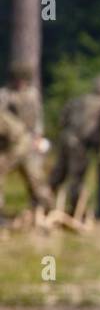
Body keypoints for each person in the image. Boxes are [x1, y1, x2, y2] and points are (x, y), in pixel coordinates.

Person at [50, 75, 100, 212]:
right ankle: (74, 210)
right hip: (79, 144)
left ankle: (44, 204)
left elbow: (62, 119)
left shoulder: (78, 100)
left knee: (58, 175)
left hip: (65, 139)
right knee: (77, 178)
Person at [0, 64, 54, 216]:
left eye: (23, 80)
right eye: (18, 80)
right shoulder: (4, 95)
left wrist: (38, 136)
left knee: (36, 178)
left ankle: (46, 209)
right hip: (9, 146)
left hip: (29, 143)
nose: (20, 83)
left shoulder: (32, 94)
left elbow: (37, 118)